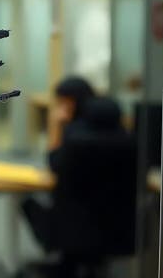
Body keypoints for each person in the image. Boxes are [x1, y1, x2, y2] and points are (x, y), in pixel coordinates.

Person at [23, 85, 136, 263]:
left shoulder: (75, 142)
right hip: (122, 233)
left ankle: (71, 262)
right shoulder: (131, 143)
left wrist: (55, 126)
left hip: (72, 231)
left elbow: (54, 165)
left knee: (27, 201)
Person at [47, 77, 96, 151]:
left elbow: (56, 160)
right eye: (60, 102)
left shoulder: (79, 133)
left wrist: (56, 126)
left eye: (64, 101)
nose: (62, 107)